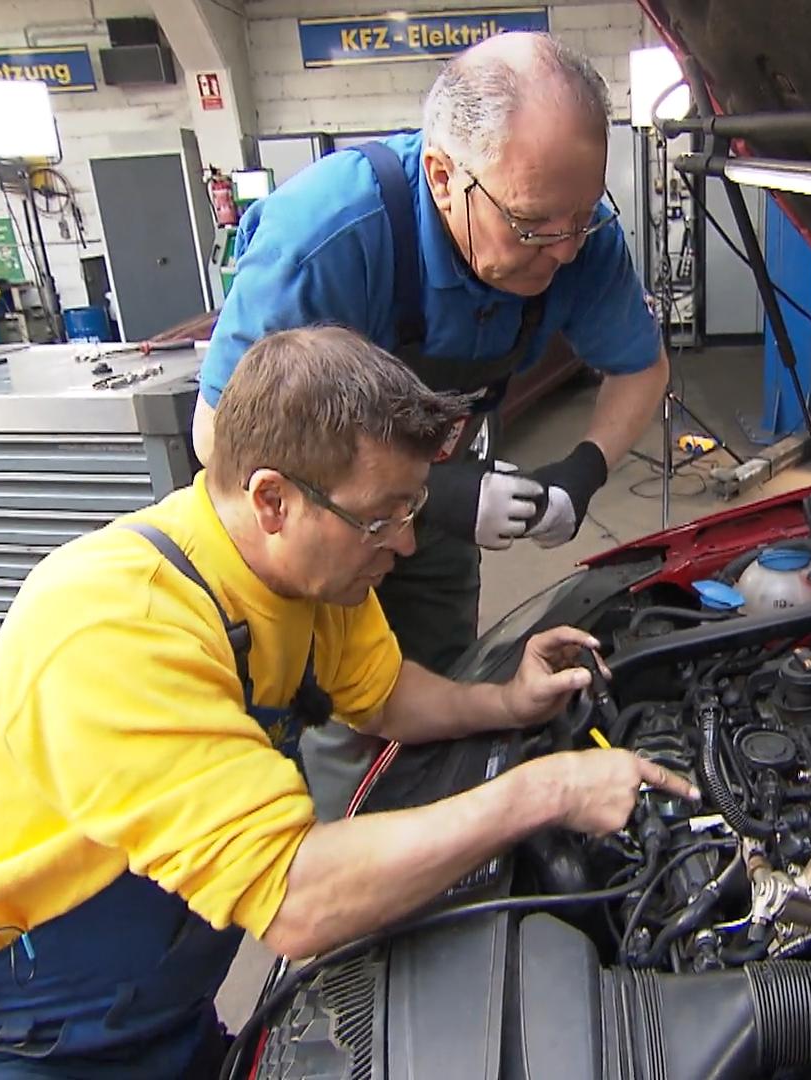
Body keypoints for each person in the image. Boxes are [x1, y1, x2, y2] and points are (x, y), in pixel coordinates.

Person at [0, 328, 697, 1079]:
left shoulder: (315, 579)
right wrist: (543, 793)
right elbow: (296, 905)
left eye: (413, 509)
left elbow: (385, 696)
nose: (401, 543)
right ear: (273, 498)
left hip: (147, 1017)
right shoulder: (114, 625)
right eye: (381, 517)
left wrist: (507, 701)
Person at [192, 32, 670, 817]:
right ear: (445, 177)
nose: (566, 248)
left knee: (451, 682)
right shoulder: (332, 236)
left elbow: (642, 368)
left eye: (583, 218)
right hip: (318, 519)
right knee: (339, 715)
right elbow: (220, 442)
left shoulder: (575, 239)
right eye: (533, 224)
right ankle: (359, 884)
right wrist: (439, 496)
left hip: (434, 501)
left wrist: (582, 471)